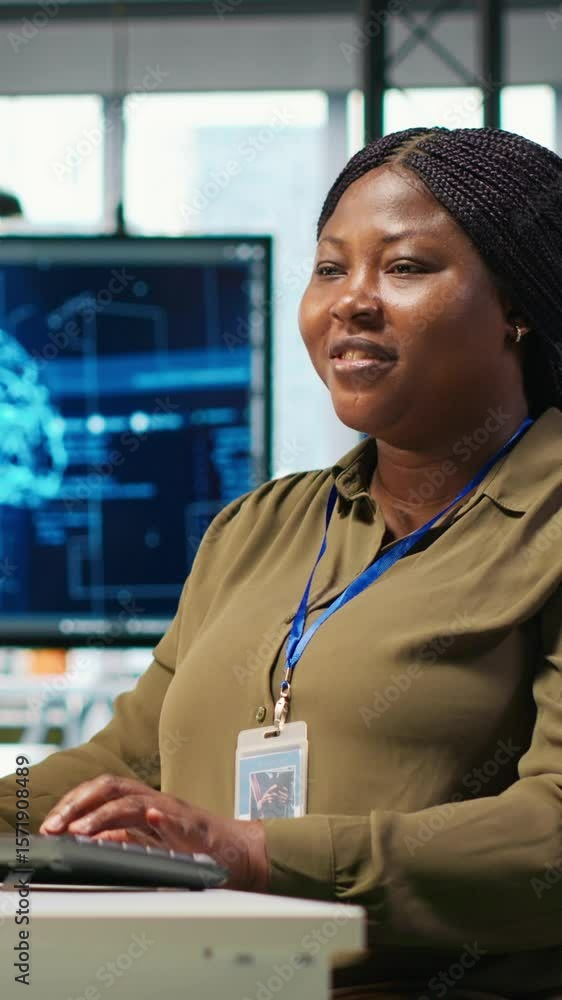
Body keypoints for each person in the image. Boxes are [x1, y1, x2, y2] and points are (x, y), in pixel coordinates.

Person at [1, 125, 562, 999]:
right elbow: (134, 759)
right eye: (331, 268)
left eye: (405, 267)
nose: (351, 302)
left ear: (521, 304)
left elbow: (550, 837)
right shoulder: (260, 526)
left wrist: (251, 852)